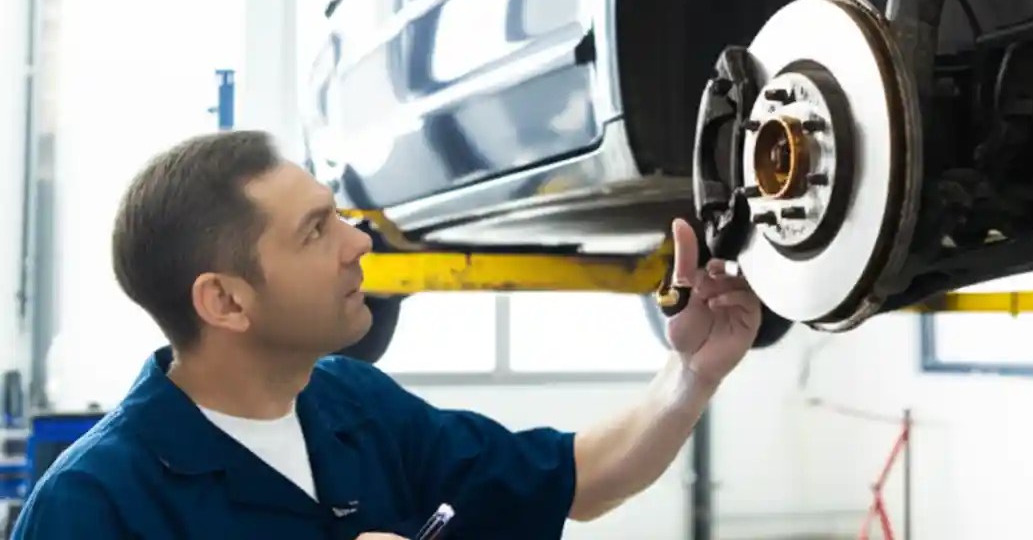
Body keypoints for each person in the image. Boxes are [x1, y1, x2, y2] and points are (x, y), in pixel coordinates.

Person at [11, 130, 764, 539]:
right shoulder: (93, 507)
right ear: (225, 302)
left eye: (336, 212)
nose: (359, 243)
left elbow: (581, 481)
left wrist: (692, 373)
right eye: (315, 232)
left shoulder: (353, 406)